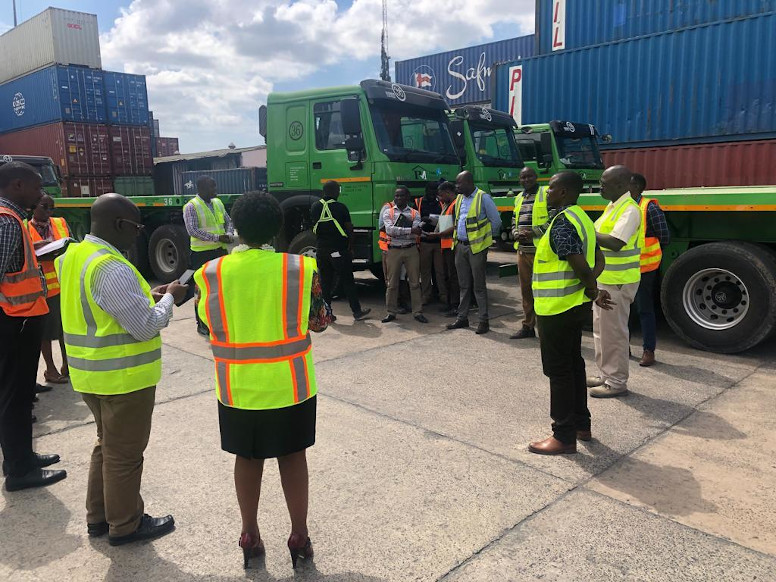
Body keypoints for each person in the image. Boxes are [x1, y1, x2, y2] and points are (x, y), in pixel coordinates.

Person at [193, 192, 331, 569]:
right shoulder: (300, 270)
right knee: (292, 457)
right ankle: (299, 535)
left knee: (247, 458)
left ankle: (250, 533)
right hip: (291, 387)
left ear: (235, 227)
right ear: (277, 228)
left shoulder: (210, 273)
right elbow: (320, 322)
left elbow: (205, 326)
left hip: (237, 389)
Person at [56, 193, 187, 545]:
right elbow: (144, 326)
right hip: (123, 380)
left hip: (91, 376)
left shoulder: (76, 256)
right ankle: (126, 524)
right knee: (125, 456)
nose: (138, 233)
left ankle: (99, 518)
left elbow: (108, 309)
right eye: (136, 226)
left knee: (106, 447)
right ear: (118, 225)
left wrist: (151, 297)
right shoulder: (110, 268)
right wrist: (172, 298)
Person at [528, 172, 611, 455]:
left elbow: (578, 261)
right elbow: (598, 259)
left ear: (563, 192)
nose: (546, 192)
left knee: (559, 371)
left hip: (557, 310)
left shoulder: (563, 222)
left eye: (550, 188)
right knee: (575, 365)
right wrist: (590, 288)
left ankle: (563, 436)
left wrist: (590, 288)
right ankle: (581, 425)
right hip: (574, 306)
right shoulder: (583, 218)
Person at [0, 162, 66, 492]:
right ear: (16, 186)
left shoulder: (13, 218)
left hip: (20, 318)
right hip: (15, 321)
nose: (41, 194)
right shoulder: (8, 220)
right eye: (36, 187)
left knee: (21, 394)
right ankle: (19, 470)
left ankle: (20, 456)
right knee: (15, 396)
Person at [588, 166, 643, 398]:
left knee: (615, 333)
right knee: (601, 331)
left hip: (618, 282)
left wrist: (584, 232)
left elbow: (615, 242)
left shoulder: (629, 210)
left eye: (604, 183)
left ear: (621, 185)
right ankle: (605, 374)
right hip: (605, 280)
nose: (600, 186)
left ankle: (617, 382)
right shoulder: (613, 206)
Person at [446, 171, 502, 334]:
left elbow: (496, 222)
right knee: (463, 285)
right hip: (460, 246)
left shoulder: (483, 197)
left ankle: (483, 321)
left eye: (459, 183)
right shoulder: (460, 199)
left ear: (469, 182)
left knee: (478, 286)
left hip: (476, 248)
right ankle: (462, 318)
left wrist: (483, 241)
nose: (457, 186)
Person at [26, 194, 71, 384]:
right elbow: (23, 253)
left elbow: (70, 243)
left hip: (64, 285)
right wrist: (38, 248)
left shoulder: (60, 223)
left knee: (65, 331)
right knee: (45, 333)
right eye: (45, 207)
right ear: (33, 207)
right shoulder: (25, 227)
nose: (49, 212)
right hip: (42, 289)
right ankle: (50, 370)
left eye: (52, 208)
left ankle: (68, 366)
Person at [310, 180, 370, 321]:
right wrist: (350, 247)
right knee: (347, 281)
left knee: (325, 282)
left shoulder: (315, 206)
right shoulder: (341, 207)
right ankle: (357, 311)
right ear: (335, 191)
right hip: (338, 250)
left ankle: (327, 314)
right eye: (338, 190)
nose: (339, 193)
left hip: (322, 250)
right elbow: (349, 229)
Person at [183, 176, 234, 335]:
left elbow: (228, 221)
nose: (215, 190)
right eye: (212, 187)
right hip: (201, 254)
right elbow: (193, 231)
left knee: (220, 288)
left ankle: (217, 321)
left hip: (219, 251)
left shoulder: (218, 203)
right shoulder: (191, 206)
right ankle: (202, 324)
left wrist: (229, 233)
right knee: (201, 289)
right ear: (202, 189)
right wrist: (217, 238)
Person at [630, 173, 669, 367]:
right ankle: (623, 347)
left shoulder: (649, 207)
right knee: (623, 310)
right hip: (622, 268)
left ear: (636, 186)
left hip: (645, 267)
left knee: (644, 309)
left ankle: (648, 351)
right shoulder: (618, 207)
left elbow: (664, 236)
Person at [510, 167, 551, 340]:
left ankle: (546, 328)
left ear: (536, 177)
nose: (526, 180)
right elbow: (514, 219)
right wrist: (515, 233)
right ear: (519, 180)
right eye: (523, 177)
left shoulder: (545, 194)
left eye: (529, 176)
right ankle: (528, 326)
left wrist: (534, 232)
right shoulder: (519, 197)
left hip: (540, 251)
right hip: (523, 251)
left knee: (542, 290)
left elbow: (553, 218)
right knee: (526, 290)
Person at [381, 186, 427, 324]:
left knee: (414, 283)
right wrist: (409, 230)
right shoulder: (388, 212)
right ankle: (391, 312)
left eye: (401, 196)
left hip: (411, 250)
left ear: (408, 197)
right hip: (394, 250)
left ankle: (417, 312)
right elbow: (389, 230)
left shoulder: (414, 213)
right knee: (392, 283)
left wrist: (404, 230)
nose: (398, 198)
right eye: (396, 196)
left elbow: (417, 230)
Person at [423, 181, 459, 316]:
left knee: (453, 277)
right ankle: (449, 303)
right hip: (444, 245)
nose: (440, 198)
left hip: (452, 245)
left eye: (441, 195)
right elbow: (442, 223)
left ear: (449, 193)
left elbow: (455, 225)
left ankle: (455, 305)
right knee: (447, 276)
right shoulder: (446, 205)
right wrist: (435, 234)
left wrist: (438, 234)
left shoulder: (455, 205)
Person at [415, 183, 445, 306]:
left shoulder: (441, 203)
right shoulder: (418, 202)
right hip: (424, 241)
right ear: (426, 190)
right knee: (425, 271)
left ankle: (443, 295)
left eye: (435, 191)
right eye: (431, 190)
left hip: (438, 242)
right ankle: (426, 296)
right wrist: (423, 219)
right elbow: (413, 219)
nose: (433, 193)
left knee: (440, 271)